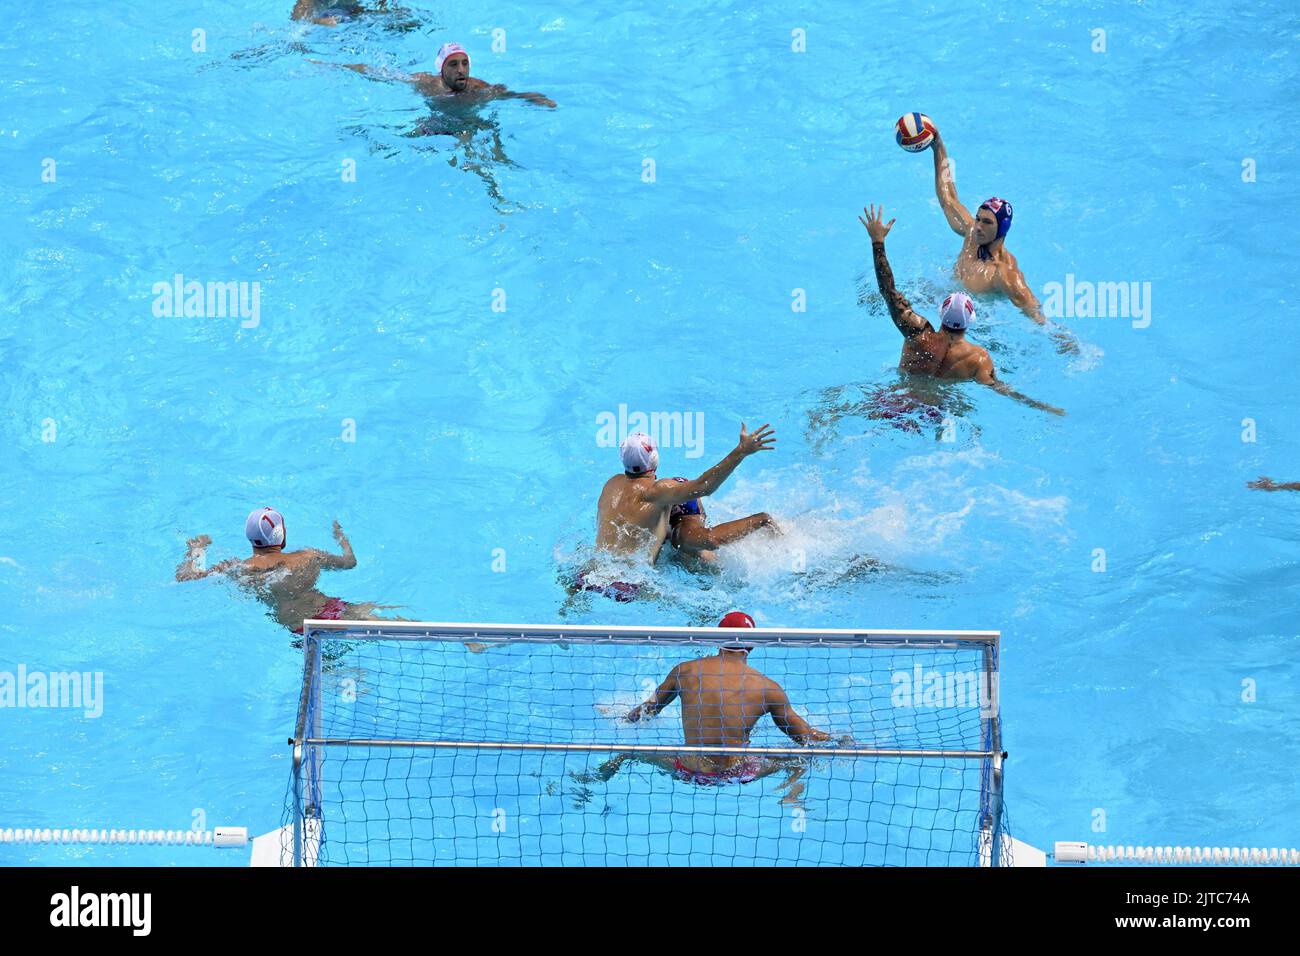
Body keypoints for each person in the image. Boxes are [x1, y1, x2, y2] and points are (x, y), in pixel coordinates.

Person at [579, 612, 839, 802]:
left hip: (690, 770)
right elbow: (806, 738)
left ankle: (586, 787)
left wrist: (622, 717)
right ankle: (792, 796)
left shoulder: (686, 671)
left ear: (717, 639)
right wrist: (839, 740)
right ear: (752, 644)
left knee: (627, 754)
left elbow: (647, 711)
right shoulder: (768, 688)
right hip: (739, 773)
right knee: (797, 761)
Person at [861, 204, 1065, 416]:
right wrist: (1042, 406)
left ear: (941, 313)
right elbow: (1002, 390)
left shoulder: (916, 334)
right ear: (970, 320)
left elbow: (888, 290)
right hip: (932, 413)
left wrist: (877, 242)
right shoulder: (977, 359)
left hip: (894, 403)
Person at [576, 424, 776, 602]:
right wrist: (740, 451)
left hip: (589, 575)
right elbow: (705, 486)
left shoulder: (611, 484)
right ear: (655, 458)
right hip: (627, 585)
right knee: (702, 607)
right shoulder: (657, 492)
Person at [928, 125, 1076, 351]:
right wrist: (938, 146)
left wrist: (1060, 337)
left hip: (977, 329)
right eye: (978, 219)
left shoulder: (1004, 273)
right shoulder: (970, 236)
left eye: (986, 222)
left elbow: (1033, 311)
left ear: (1002, 229)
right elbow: (947, 197)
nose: (977, 226)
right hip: (946, 302)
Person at [176, 507, 400, 634]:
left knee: (324, 668)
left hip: (302, 629)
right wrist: (342, 538)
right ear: (281, 535)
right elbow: (349, 562)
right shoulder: (309, 557)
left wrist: (197, 548)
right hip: (333, 610)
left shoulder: (241, 568)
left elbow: (188, 577)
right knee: (398, 624)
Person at [339, 42, 554, 108]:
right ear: (441, 69)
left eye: (465, 63)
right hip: (434, 125)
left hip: (466, 126)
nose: (461, 70)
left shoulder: (477, 86)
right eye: (453, 64)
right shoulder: (426, 82)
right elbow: (383, 74)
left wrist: (533, 98)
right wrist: (339, 66)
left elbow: (509, 94)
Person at [664, 477, 777, 568]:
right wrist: (761, 519)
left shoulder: (676, 535)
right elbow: (711, 539)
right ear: (697, 508)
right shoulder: (684, 533)